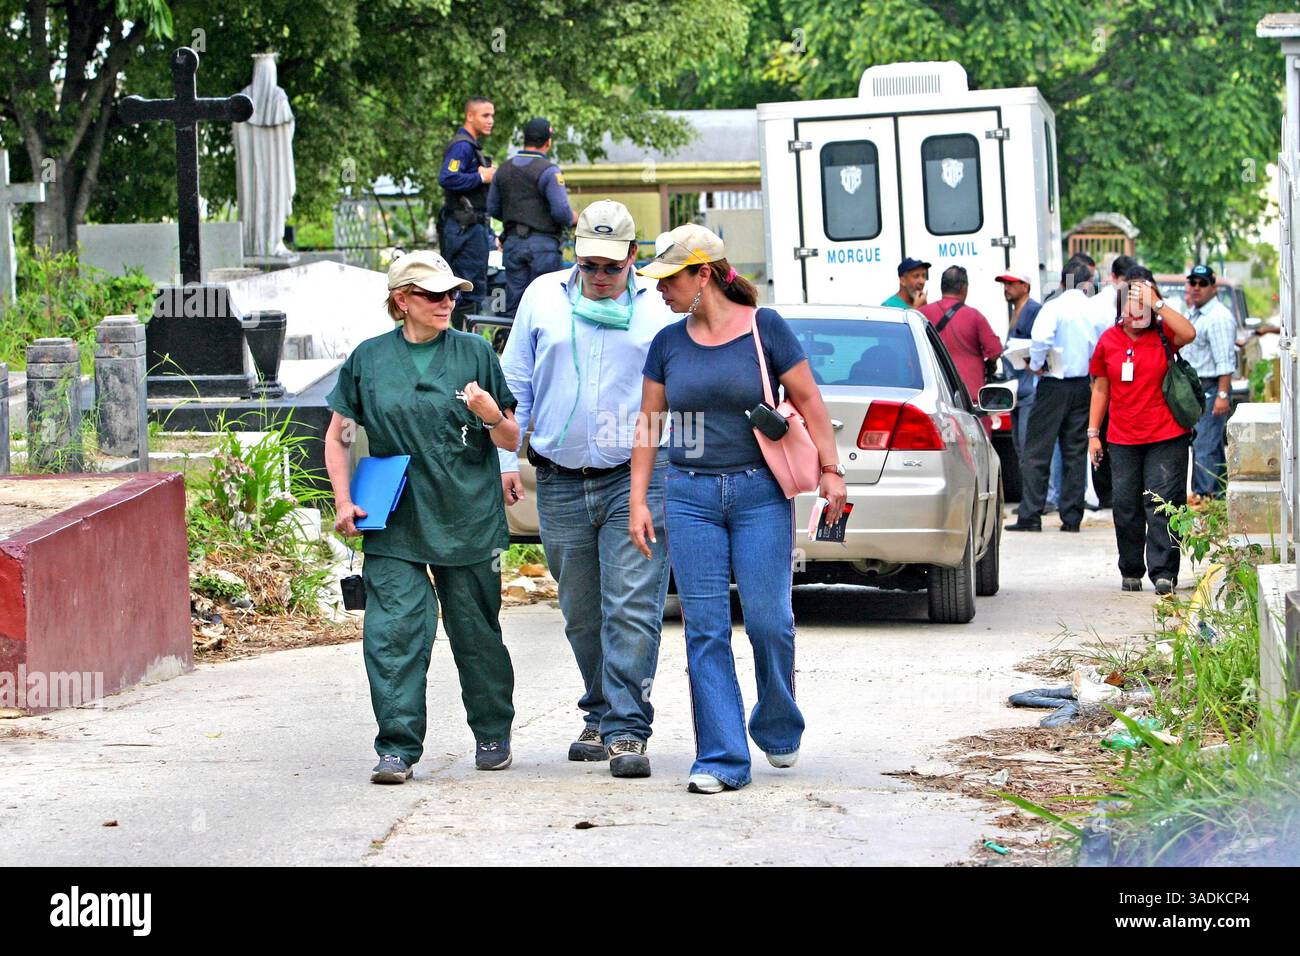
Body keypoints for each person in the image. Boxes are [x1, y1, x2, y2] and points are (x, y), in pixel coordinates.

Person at [628, 224, 846, 794]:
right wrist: (638, 499)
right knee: (704, 629)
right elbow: (649, 424)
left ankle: (777, 721)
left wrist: (831, 470)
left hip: (759, 494)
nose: (660, 290)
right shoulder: (668, 343)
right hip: (690, 495)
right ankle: (722, 757)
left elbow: (809, 399)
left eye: (669, 278)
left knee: (770, 621)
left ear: (703, 274)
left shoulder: (765, 328)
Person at [325, 251, 521, 783]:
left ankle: (491, 731)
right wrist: (343, 499)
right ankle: (397, 746)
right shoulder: (368, 360)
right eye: (433, 295)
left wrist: (490, 416)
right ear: (401, 301)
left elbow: (511, 437)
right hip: (396, 520)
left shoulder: (475, 353)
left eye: (452, 293)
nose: (446, 303)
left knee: (475, 633)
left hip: (467, 516)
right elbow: (339, 435)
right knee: (392, 634)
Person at [498, 200, 677, 779]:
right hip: (557, 479)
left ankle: (627, 728)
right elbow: (517, 381)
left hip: (635, 477)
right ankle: (599, 710)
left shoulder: (659, 308)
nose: (600, 277)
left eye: (612, 266)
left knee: (630, 606)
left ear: (633, 255)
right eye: (590, 263)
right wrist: (507, 455)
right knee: (580, 611)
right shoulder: (543, 296)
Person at [1087, 265, 1197, 594]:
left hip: (1167, 435)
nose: (1138, 313)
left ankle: (1164, 572)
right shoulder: (1108, 341)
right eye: (1132, 306)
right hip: (1122, 438)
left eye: (1144, 306)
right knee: (1125, 504)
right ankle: (1131, 568)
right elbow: (1101, 389)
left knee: (1162, 503)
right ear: (1120, 309)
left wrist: (1158, 303)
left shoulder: (1164, 334)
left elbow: (1189, 333)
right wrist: (1094, 434)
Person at [1007, 261, 1106, 533]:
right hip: (1083, 386)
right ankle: (1071, 518)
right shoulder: (1093, 310)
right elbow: (1101, 346)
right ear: (1087, 283)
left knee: (1038, 451)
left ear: (1063, 281)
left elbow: (1040, 339)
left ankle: (1031, 516)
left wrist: (1037, 364)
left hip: (1053, 385)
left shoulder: (1053, 307)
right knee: (1075, 452)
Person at [487, 116, 577, 318]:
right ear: (548, 142)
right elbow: (562, 213)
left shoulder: (503, 169)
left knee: (515, 304)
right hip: (543, 246)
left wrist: (516, 219)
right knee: (545, 301)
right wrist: (575, 217)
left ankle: (509, 345)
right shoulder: (549, 171)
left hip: (513, 245)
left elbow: (492, 208)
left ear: (524, 139)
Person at [1178, 264, 1237, 502]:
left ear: (1213, 287)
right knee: (1204, 445)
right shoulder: (1195, 313)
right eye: (1192, 282)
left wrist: (1222, 395)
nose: (1196, 288)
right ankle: (1215, 495)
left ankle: (1206, 497)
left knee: (1205, 445)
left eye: (1202, 283)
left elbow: (1225, 360)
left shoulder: (1218, 317)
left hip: (1212, 388)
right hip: (1195, 389)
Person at [438, 96, 496, 329]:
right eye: (485, 115)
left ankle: (466, 339)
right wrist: (482, 176)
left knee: (474, 288)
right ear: (470, 116)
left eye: (492, 115)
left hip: (473, 228)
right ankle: (462, 341)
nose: (491, 120)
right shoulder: (462, 146)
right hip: (464, 230)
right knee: (467, 289)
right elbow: (448, 177)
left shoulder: (470, 145)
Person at [918, 265, 1003, 410]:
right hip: (969, 398)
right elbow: (995, 350)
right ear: (964, 288)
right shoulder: (974, 316)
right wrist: (989, 364)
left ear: (942, 287)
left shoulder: (921, 314)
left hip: (933, 397)